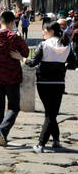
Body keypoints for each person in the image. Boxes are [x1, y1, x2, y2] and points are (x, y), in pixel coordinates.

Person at [26, 17, 74, 152]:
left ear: (51, 31)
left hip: (44, 82)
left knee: (50, 114)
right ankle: (56, 140)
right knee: (51, 113)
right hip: (59, 82)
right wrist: (62, 65)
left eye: (44, 30)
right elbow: (74, 63)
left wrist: (22, 59)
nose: (42, 32)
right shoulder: (66, 44)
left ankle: (41, 144)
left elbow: (33, 62)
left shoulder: (44, 44)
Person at [0, 9, 29, 145]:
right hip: (12, 77)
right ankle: (2, 130)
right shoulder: (15, 38)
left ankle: (0, 133)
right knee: (14, 107)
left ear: (0, 22)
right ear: (12, 22)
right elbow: (26, 52)